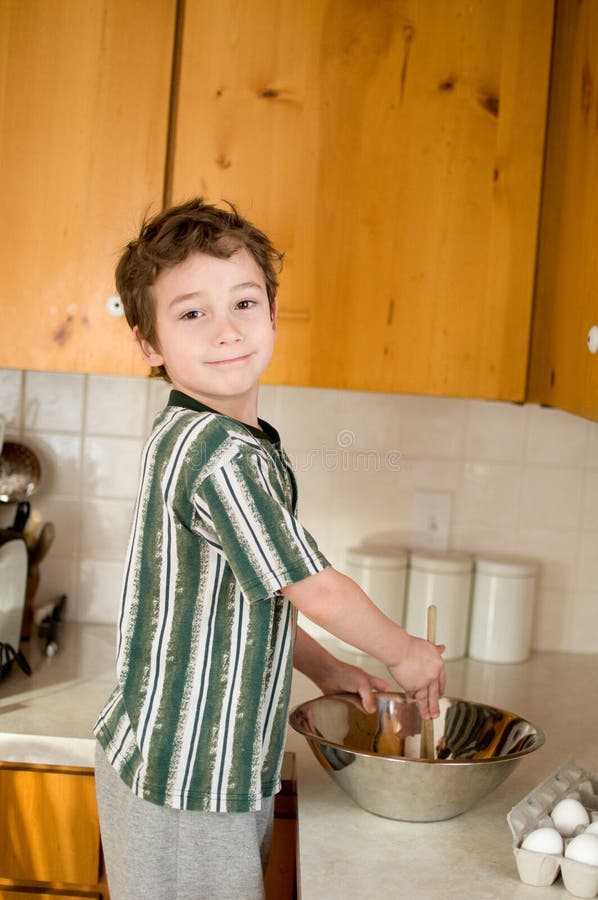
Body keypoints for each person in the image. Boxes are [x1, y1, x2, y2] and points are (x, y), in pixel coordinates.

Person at [94, 198, 445, 900]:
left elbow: (244, 598)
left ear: (274, 315)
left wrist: (325, 665)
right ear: (150, 344)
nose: (226, 330)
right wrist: (404, 652)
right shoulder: (222, 457)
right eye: (193, 313)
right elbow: (312, 584)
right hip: (190, 781)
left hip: (182, 763)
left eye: (244, 303)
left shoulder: (198, 436)